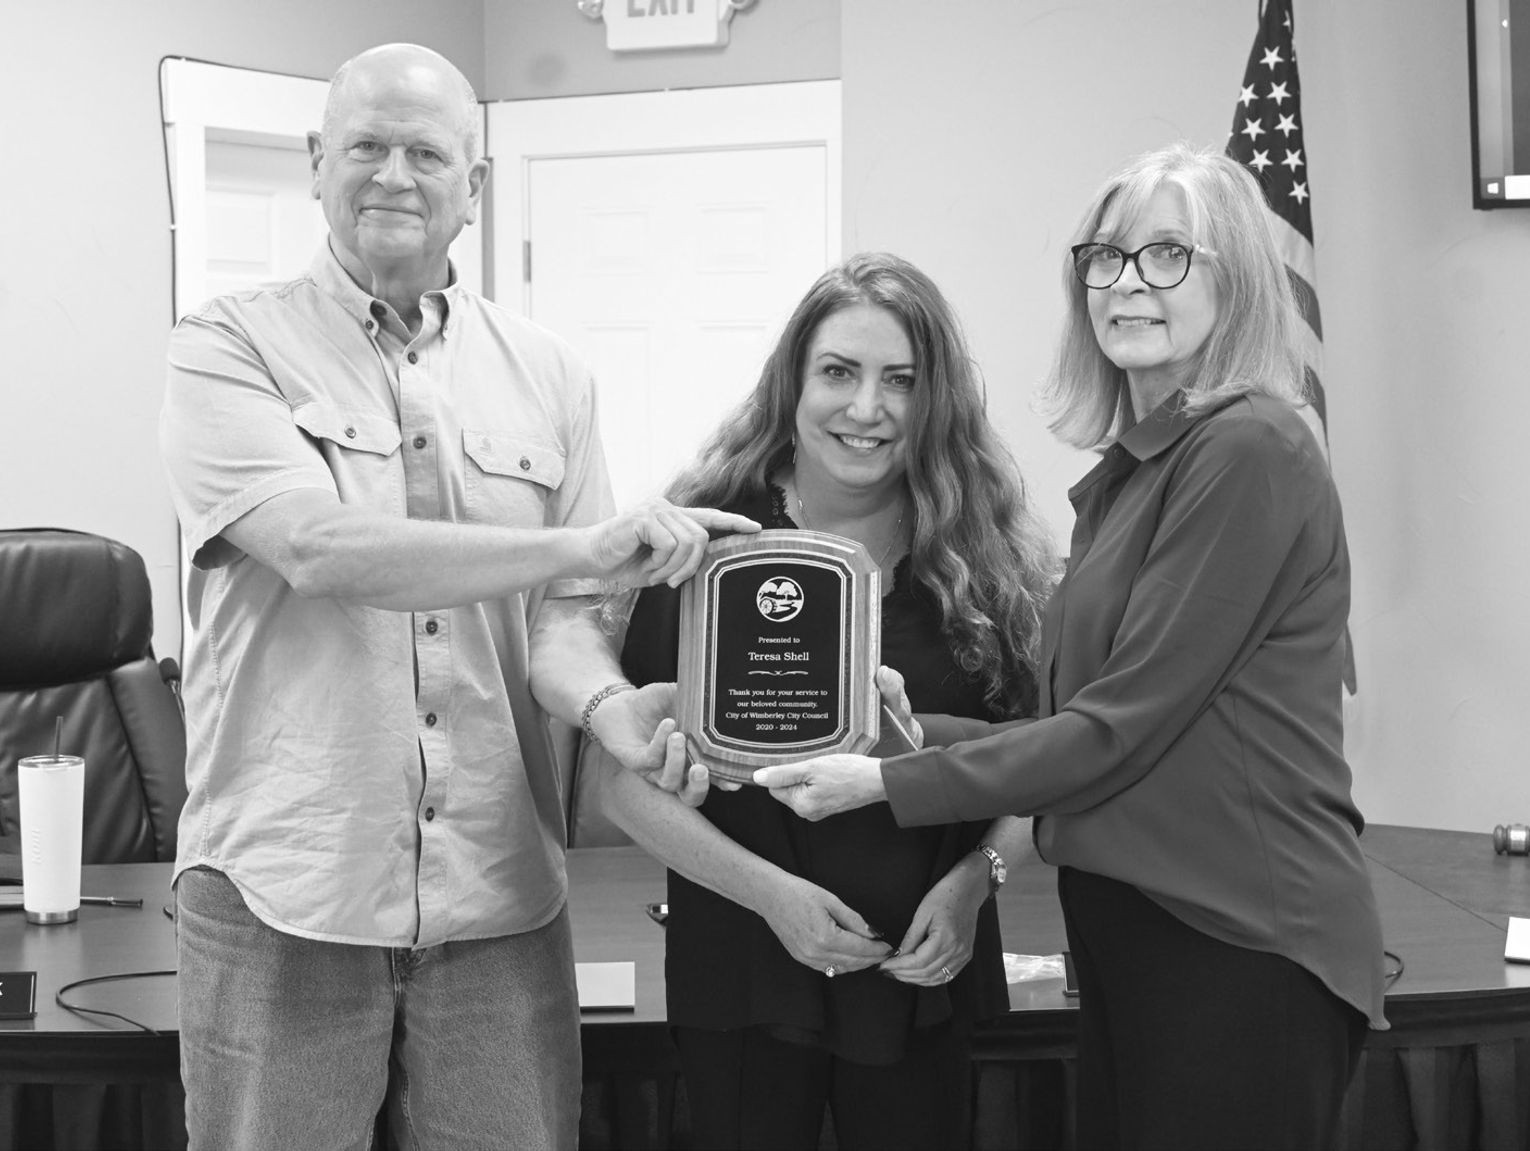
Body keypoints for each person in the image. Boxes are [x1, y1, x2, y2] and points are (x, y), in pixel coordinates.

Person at [158, 43, 754, 1151]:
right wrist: (580, 541)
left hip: (498, 885)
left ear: (473, 188)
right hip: (289, 882)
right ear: (315, 163)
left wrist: (612, 708)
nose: (394, 172)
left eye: (426, 151)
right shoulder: (225, 348)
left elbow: (565, 621)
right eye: (366, 146)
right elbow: (322, 548)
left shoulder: (551, 374)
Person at [755, 144, 1389, 1151]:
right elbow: (1072, 720)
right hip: (1140, 925)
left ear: (1238, 281)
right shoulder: (1138, 470)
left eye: (1170, 255)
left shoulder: (1250, 447)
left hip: (1240, 934)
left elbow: (1117, 731)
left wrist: (886, 782)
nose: (1128, 282)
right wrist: (901, 738)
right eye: (1107, 256)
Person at [599, 252, 1059, 1150]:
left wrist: (978, 883)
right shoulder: (707, 546)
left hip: (924, 964)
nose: (865, 408)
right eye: (839, 373)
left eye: (901, 381)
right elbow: (620, 786)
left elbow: (1037, 766)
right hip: (743, 964)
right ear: (792, 385)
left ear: (936, 403)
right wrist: (773, 898)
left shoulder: (988, 562)